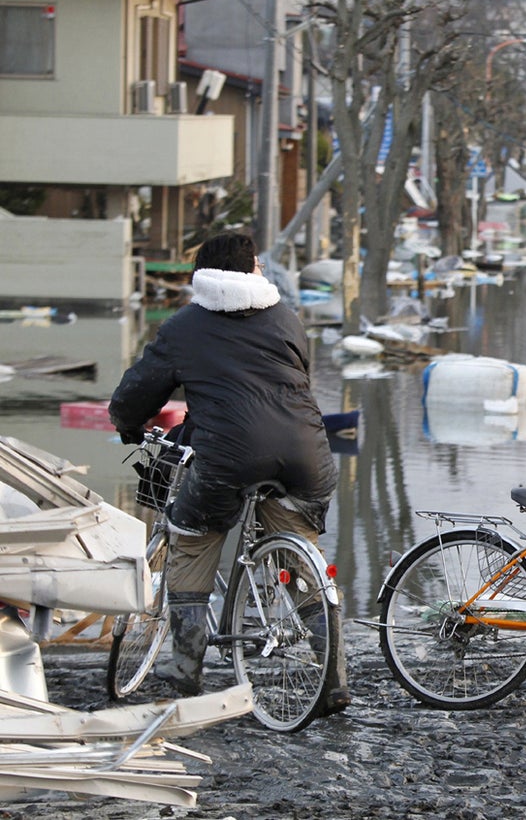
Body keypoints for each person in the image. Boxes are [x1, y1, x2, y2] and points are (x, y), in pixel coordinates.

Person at [109, 231, 349, 715]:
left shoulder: (184, 327)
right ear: (252, 269)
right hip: (306, 453)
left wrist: (127, 424)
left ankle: (184, 670)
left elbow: (139, 391)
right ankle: (334, 679)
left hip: (228, 457)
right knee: (304, 567)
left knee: (192, 539)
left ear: (203, 274)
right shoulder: (286, 318)